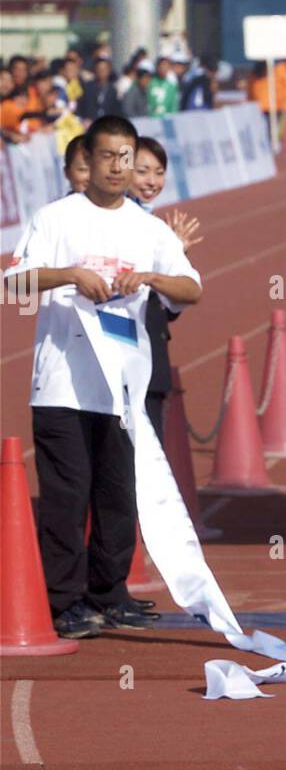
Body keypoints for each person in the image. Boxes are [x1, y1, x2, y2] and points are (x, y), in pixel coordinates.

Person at [3, 115, 201, 640]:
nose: (119, 167)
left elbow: (191, 289)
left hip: (123, 388)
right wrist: (70, 275)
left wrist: (152, 278)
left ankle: (109, 592)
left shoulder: (147, 228)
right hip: (62, 383)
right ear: (86, 162)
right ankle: (64, 600)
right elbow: (13, 283)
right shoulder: (56, 219)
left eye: (127, 156)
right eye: (109, 156)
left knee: (117, 491)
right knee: (68, 495)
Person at [128, 137, 203, 446]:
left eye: (159, 172)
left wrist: (174, 256)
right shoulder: (111, 225)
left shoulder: (155, 229)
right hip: (120, 365)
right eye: (143, 171)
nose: (152, 181)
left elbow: (171, 306)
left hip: (151, 361)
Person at [77, 56, 122, 123]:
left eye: (104, 69)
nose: (102, 71)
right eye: (99, 69)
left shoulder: (112, 90)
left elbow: (116, 111)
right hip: (90, 124)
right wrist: (84, 120)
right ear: (95, 70)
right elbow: (80, 107)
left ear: (109, 70)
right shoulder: (87, 87)